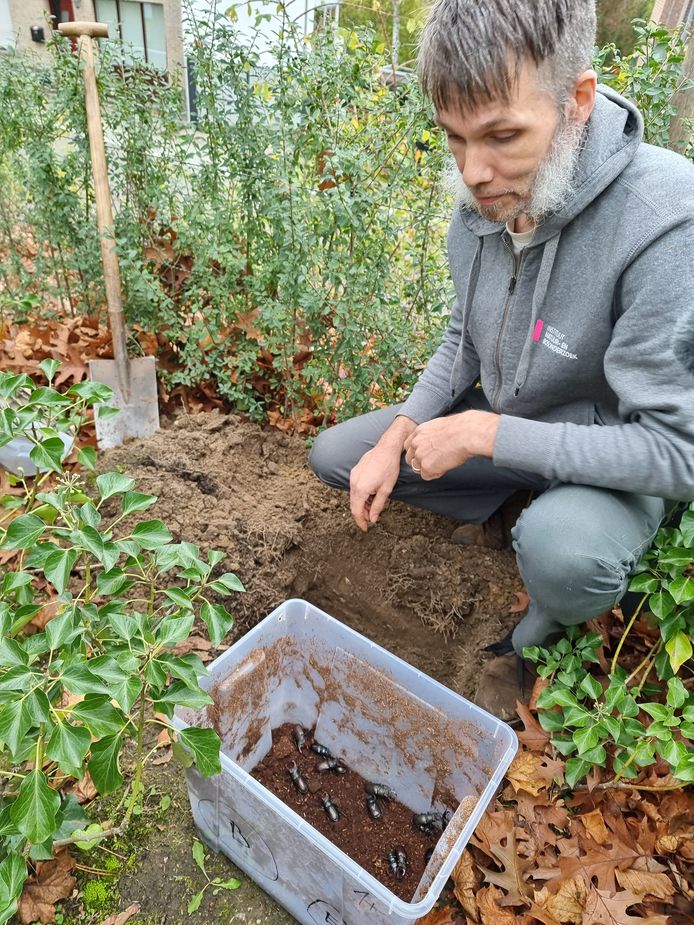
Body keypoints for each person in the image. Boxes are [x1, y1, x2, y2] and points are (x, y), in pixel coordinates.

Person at [308, 0, 694, 720]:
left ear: (578, 101)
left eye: (502, 136)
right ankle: (508, 503)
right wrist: (401, 432)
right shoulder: (487, 195)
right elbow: (464, 335)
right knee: (339, 455)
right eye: (453, 137)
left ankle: (525, 642)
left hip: (610, 448)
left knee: (565, 555)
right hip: (516, 414)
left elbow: (678, 455)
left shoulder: (666, 221)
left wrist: (486, 434)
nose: (474, 171)